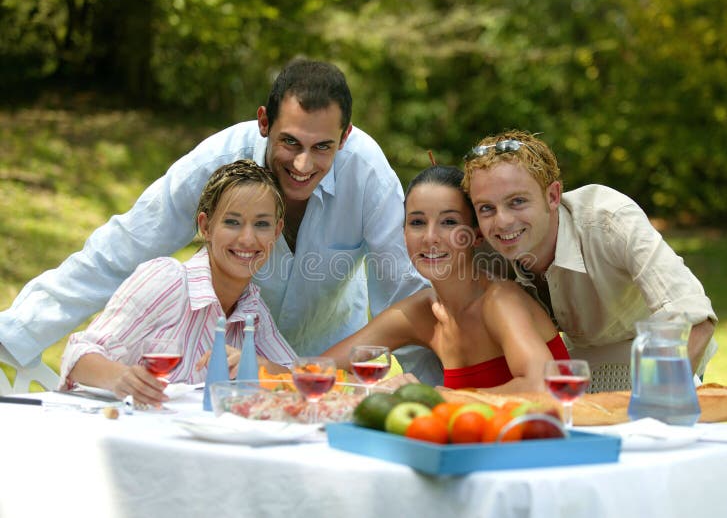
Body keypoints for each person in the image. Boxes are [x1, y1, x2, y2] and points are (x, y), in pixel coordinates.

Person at [0, 59, 437, 383]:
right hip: (219, 365)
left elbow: (405, 295)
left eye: (323, 147)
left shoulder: (368, 174)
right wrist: (12, 335)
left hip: (323, 366)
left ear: (346, 136)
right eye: (290, 143)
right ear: (264, 122)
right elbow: (122, 249)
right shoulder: (219, 159)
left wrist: (440, 395)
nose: (303, 164)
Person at [461, 129, 718, 392]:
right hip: (585, 369)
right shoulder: (485, 253)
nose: (502, 221)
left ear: (553, 196)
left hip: (663, 360)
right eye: (486, 208)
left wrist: (655, 402)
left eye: (517, 201)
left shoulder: (610, 220)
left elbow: (696, 320)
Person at [59, 160, 296, 406]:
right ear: (206, 227)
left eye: (261, 224)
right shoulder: (167, 280)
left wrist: (261, 365)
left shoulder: (252, 309)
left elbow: (300, 377)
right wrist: (122, 378)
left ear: (276, 231)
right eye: (232, 222)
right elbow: (78, 354)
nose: (247, 239)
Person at [323, 165, 569, 393]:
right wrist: (375, 387)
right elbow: (317, 370)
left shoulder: (500, 300)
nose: (430, 237)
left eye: (449, 222)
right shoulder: (422, 312)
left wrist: (440, 397)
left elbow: (543, 387)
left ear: (476, 235)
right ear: (404, 233)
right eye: (417, 222)